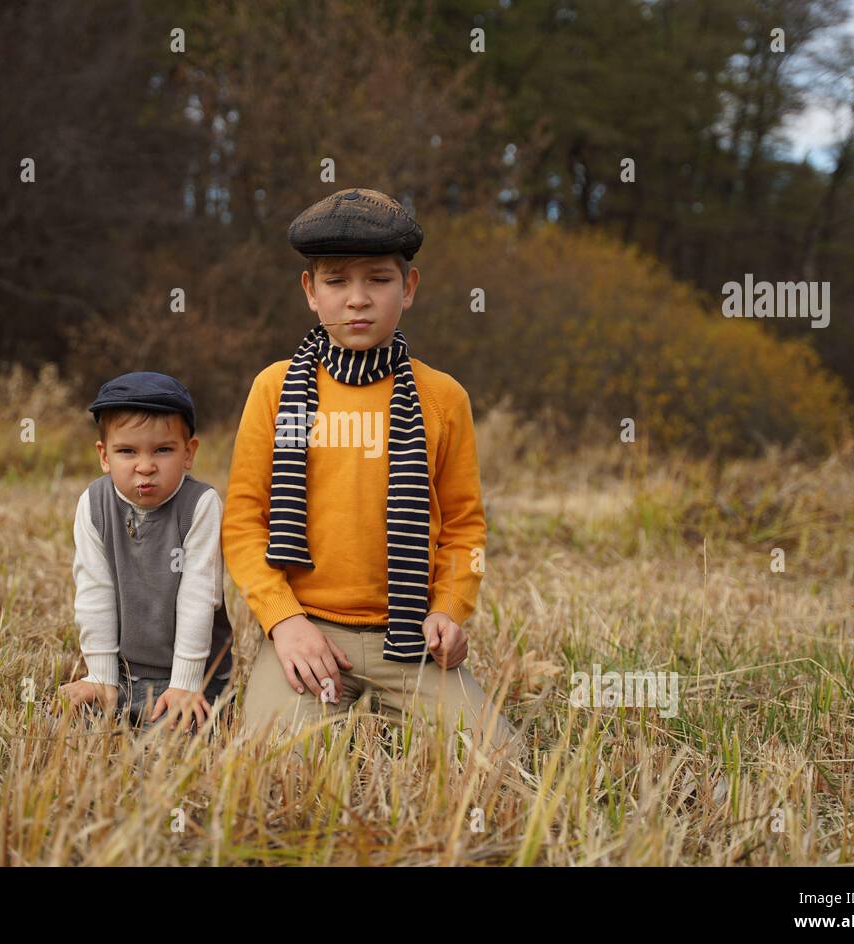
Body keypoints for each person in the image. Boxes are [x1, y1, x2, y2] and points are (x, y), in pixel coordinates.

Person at [222, 187, 514, 754]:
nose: (357, 299)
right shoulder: (275, 389)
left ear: (408, 288)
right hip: (309, 630)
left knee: (495, 760)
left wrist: (451, 611)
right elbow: (243, 522)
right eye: (336, 281)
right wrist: (284, 622)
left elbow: (463, 527)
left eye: (378, 280)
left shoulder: (443, 398)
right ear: (310, 291)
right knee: (275, 766)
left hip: (405, 635)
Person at [59, 371, 232, 730]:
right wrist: (103, 678)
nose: (146, 466)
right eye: (127, 451)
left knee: (178, 739)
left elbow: (199, 597)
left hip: (193, 674)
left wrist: (184, 684)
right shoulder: (94, 503)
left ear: (189, 453)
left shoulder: (199, 505)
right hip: (123, 673)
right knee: (66, 726)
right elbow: (95, 591)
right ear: (104, 456)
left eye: (163, 450)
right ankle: (115, 697)